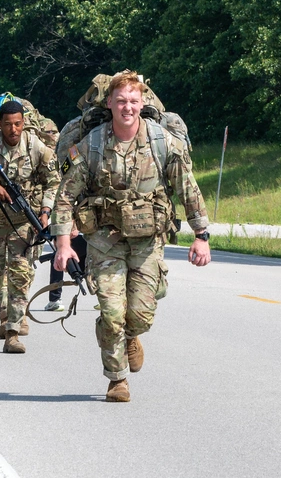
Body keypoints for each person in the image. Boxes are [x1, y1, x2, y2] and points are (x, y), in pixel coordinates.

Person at [53, 70, 211, 402]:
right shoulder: (92, 144)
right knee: (111, 314)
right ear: (109, 103)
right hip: (105, 240)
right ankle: (117, 379)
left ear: (143, 104)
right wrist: (64, 243)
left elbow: (187, 188)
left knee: (139, 315)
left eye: (133, 101)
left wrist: (201, 235)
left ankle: (131, 335)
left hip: (148, 241)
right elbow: (65, 195)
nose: (127, 108)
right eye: (121, 101)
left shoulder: (161, 142)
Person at [0, 101, 60, 354]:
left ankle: (13, 331)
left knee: (20, 276)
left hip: (23, 223)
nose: (13, 129)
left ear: (23, 123)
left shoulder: (36, 147)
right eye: (7, 124)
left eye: (17, 124)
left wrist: (46, 211)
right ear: (0, 123)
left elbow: (53, 182)